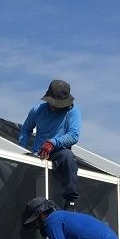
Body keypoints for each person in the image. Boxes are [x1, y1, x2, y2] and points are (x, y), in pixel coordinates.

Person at [19, 79, 81, 210]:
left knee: (68, 157)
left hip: (58, 151)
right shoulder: (37, 110)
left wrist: (52, 142)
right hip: (38, 154)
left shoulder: (73, 111)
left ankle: (70, 202)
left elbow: (74, 135)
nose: (55, 106)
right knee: (22, 181)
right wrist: (22, 150)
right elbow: (25, 130)